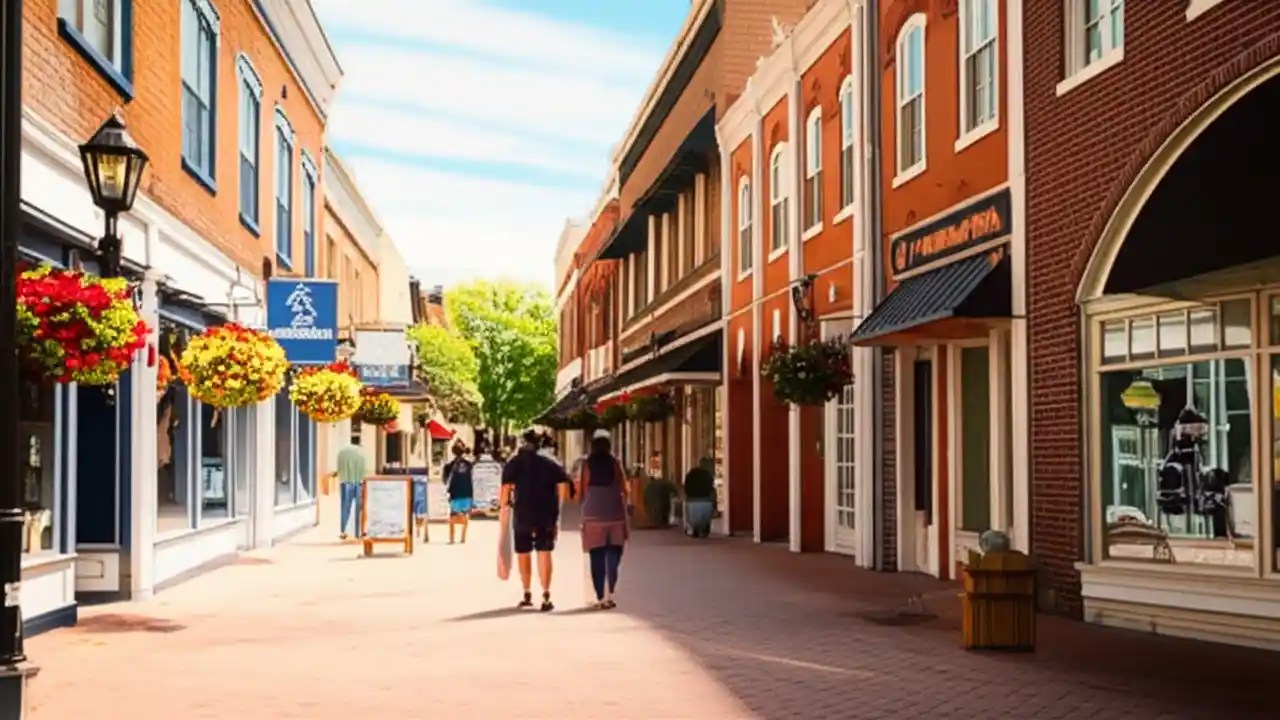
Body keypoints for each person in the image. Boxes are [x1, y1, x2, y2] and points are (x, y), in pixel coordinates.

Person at [501, 429, 570, 611]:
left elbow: (505, 490)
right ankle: (546, 594)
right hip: (546, 514)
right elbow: (563, 487)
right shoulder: (550, 463)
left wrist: (504, 510)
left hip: (522, 513)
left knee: (523, 552)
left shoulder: (514, 463)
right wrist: (559, 508)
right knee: (544, 551)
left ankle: (527, 592)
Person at [578, 429, 629, 609]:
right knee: (614, 550)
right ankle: (611, 589)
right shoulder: (615, 463)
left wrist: (585, 503)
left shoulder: (587, 464)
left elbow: (582, 489)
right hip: (614, 513)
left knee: (596, 554)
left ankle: (600, 595)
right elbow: (624, 488)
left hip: (592, 515)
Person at [336, 436, 369, 540]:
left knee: (345, 507)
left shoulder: (342, 452)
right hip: (359, 482)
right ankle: (358, 531)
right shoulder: (362, 453)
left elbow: (339, 468)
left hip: (345, 481)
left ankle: (343, 531)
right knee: (359, 508)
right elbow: (365, 469)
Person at [443, 441, 474, 544]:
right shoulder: (469, 464)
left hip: (455, 493)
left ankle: (452, 539)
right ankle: (463, 538)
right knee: (465, 515)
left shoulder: (449, 466)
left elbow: (445, 480)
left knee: (453, 515)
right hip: (467, 493)